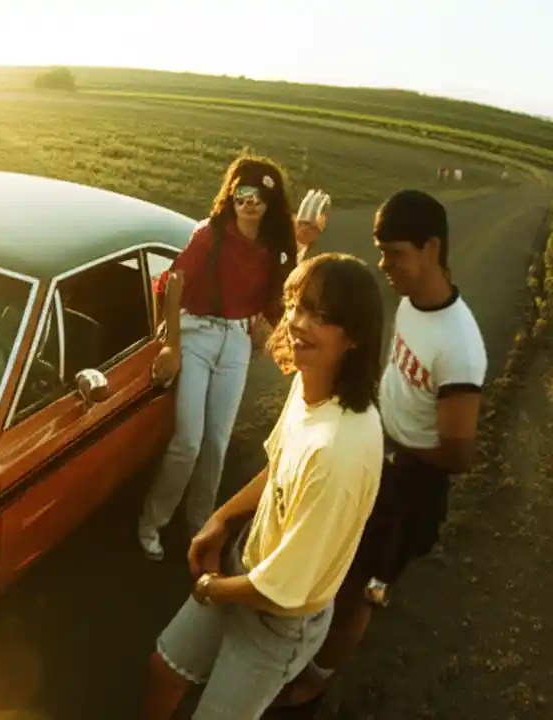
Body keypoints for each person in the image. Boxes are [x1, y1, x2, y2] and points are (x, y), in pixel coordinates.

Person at [140, 252, 386, 719]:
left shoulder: (338, 452)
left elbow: (283, 591)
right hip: (246, 569)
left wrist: (211, 588)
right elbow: (278, 468)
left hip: (278, 620)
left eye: (323, 316)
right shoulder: (314, 382)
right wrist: (220, 519)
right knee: (163, 671)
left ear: (354, 337)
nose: (299, 324)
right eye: (298, 305)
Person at [274, 190, 487, 707]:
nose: (384, 265)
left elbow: (458, 455)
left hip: (408, 485)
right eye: (381, 251)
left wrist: (393, 443)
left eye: (394, 253)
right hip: (381, 453)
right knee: (336, 561)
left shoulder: (460, 348)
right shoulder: (413, 302)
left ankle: (315, 681)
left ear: (431, 248)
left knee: (356, 590)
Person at [138, 154, 325, 560]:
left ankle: (199, 527)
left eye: (259, 196)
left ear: (270, 204)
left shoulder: (272, 247)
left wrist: (303, 243)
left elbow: (286, 286)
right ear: (231, 194)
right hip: (197, 336)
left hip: (235, 342)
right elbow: (175, 281)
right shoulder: (210, 235)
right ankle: (152, 522)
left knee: (216, 443)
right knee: (188, 442)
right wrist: (172, 344)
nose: (250, 202)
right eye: (243, 192)